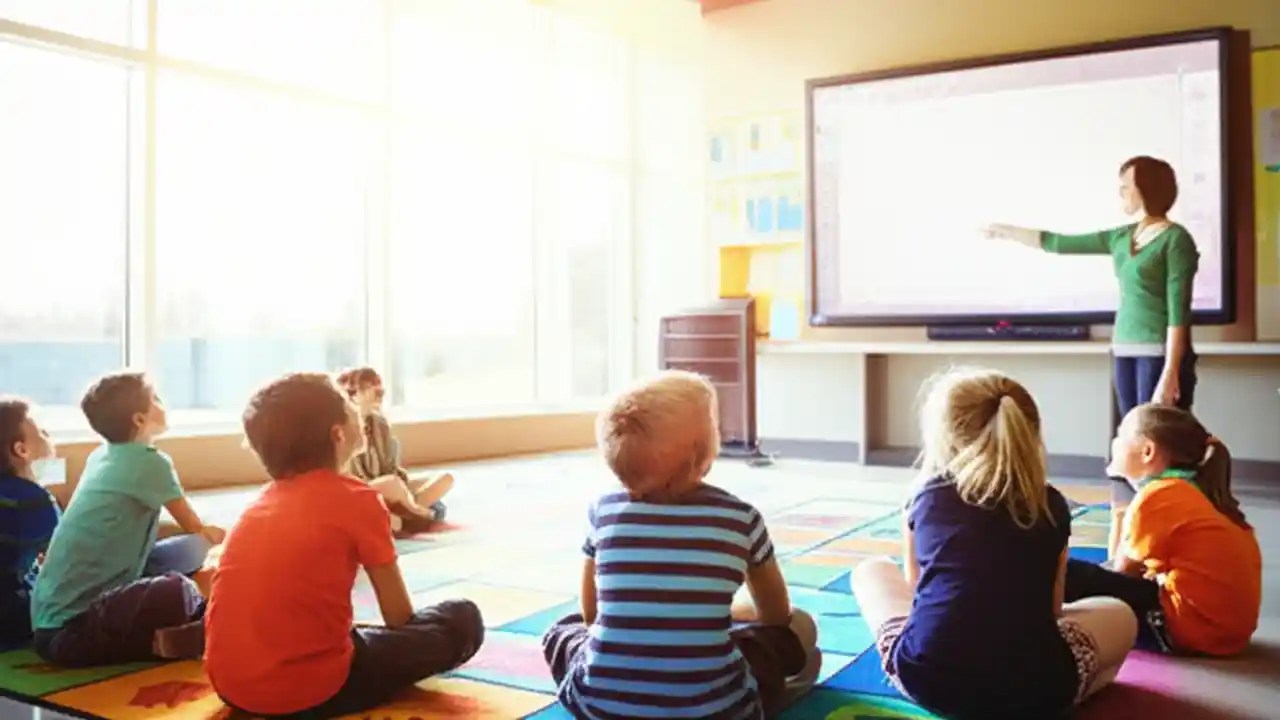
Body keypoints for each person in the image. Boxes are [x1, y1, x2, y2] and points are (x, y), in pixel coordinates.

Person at [851, 368, 1135, 720]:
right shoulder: (1050, 504)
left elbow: (915, 593)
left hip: (928, 681)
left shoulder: (923, 499)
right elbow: (1054, 610)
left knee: (870, 571)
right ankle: (1075, 690)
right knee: (1119, 613)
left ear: (943, 436)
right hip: (1038, 692)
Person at [542, 370, 820, 719]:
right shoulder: (742, 518)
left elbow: (591, 614)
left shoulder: (603, 512)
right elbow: (776, 616)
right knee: (801, 629)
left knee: (562, 629)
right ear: (701, 455)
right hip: (716, 711)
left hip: (600, 706)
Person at [206, 373, 483, 718]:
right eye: (349, 405)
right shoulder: (359, 500)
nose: (358, 411)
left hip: (232, 687)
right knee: (462, 617)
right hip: (313, 691)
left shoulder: (256, 506)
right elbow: (399, 618)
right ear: (338, 434)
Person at [985, 156, 1199, 557]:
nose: (1121, 193)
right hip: (1125, 351)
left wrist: (1171, 370)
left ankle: (1166, 529)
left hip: (1159, 355)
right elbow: (1058, 243)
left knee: (1160, 444)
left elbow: (1178, 312)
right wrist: (1005, 230)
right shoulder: (1122, 237)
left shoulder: (1176, 240)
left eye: (1126, 186)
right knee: (1125, 442)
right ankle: (1123, 532)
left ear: (1146, 188)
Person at [31, 372, 223, 666]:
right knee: (178, 584)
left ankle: (181, 628)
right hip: (72, 631)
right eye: (155, 399)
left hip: (45, 623)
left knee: (184, 551)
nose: (163, 403)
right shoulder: (151, 462)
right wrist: (217, 536)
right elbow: (193, 525)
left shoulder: (101, 456)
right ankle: (188, 631)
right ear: (139, 419)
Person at [1064, 404, 1261, 656]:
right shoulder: (1196, 493)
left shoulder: (1160, 495)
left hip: (1186, 630)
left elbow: (1122, 572)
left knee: (1070, 572)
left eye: (1121, 435)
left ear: (1147, 451)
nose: (1114, 442)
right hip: (1226, 636)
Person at [336, 367, 453, 535]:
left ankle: (409, 514)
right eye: (369, 388)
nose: (377, 392)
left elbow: (391, 469)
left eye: (378, 386)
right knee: (393, 485)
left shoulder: (380, 424)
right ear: (353, 395)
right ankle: (416, 515)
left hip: (387, 489)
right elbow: (349, 479)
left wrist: (401, 489)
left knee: (445, 479)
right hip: (362, 490)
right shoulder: (347, 427)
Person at [0, 398, 61, 647]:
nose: (50, 439)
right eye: (44, 432)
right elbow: (65, 558)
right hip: (11, 613)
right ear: (21, 450)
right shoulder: (32, 500)